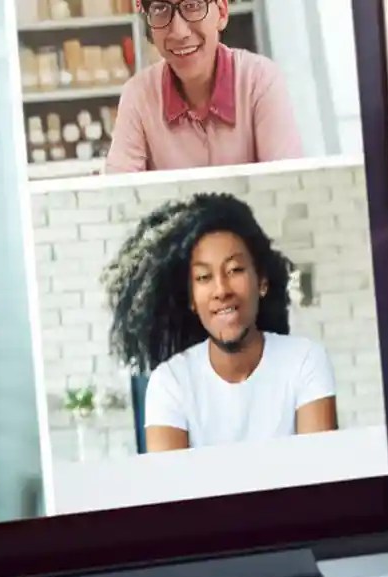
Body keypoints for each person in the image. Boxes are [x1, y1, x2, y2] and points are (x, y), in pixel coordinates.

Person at [102, 193, 336, 452]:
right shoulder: (170, 383)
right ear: (191, 299)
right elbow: (171, 489)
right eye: (203, 277)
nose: (221, 290)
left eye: (235, 270)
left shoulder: (305, 361)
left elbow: (320, 475)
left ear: (262, 281)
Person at [104, 0, 302, 174]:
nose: (179, 32)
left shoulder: (259, 81)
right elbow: (119, 196)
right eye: (160, 9)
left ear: (222, 12)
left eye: (193, 6)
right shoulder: (139, 95)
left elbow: (286, 188)